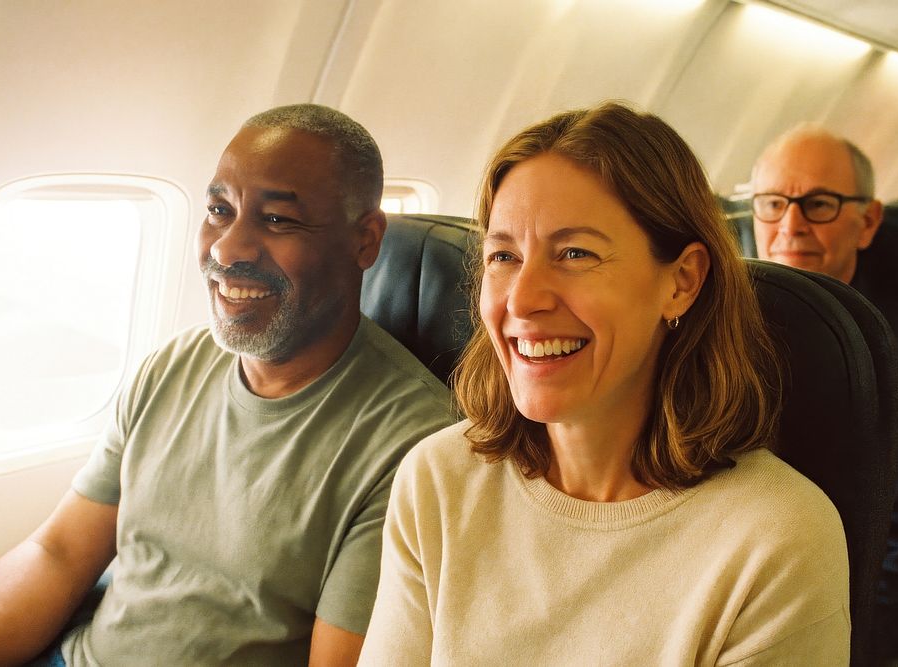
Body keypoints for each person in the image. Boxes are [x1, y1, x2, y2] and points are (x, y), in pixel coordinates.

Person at [0, 104, 453, 666]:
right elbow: (56, 555)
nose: (227, 249)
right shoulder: (170, 366)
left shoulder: (415, 448)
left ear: (365, 241)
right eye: (219, 210)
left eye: (277, 220)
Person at [358, 103, 849, 665]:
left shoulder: (776, 539)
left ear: (682, 282)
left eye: (575, 253)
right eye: (504, 256)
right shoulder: (439, 480)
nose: (523, 297)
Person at [752, 125, 898, 664]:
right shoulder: (705, 336)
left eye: (819, 205)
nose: (791, 226)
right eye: (773, 204)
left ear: (868, 221)